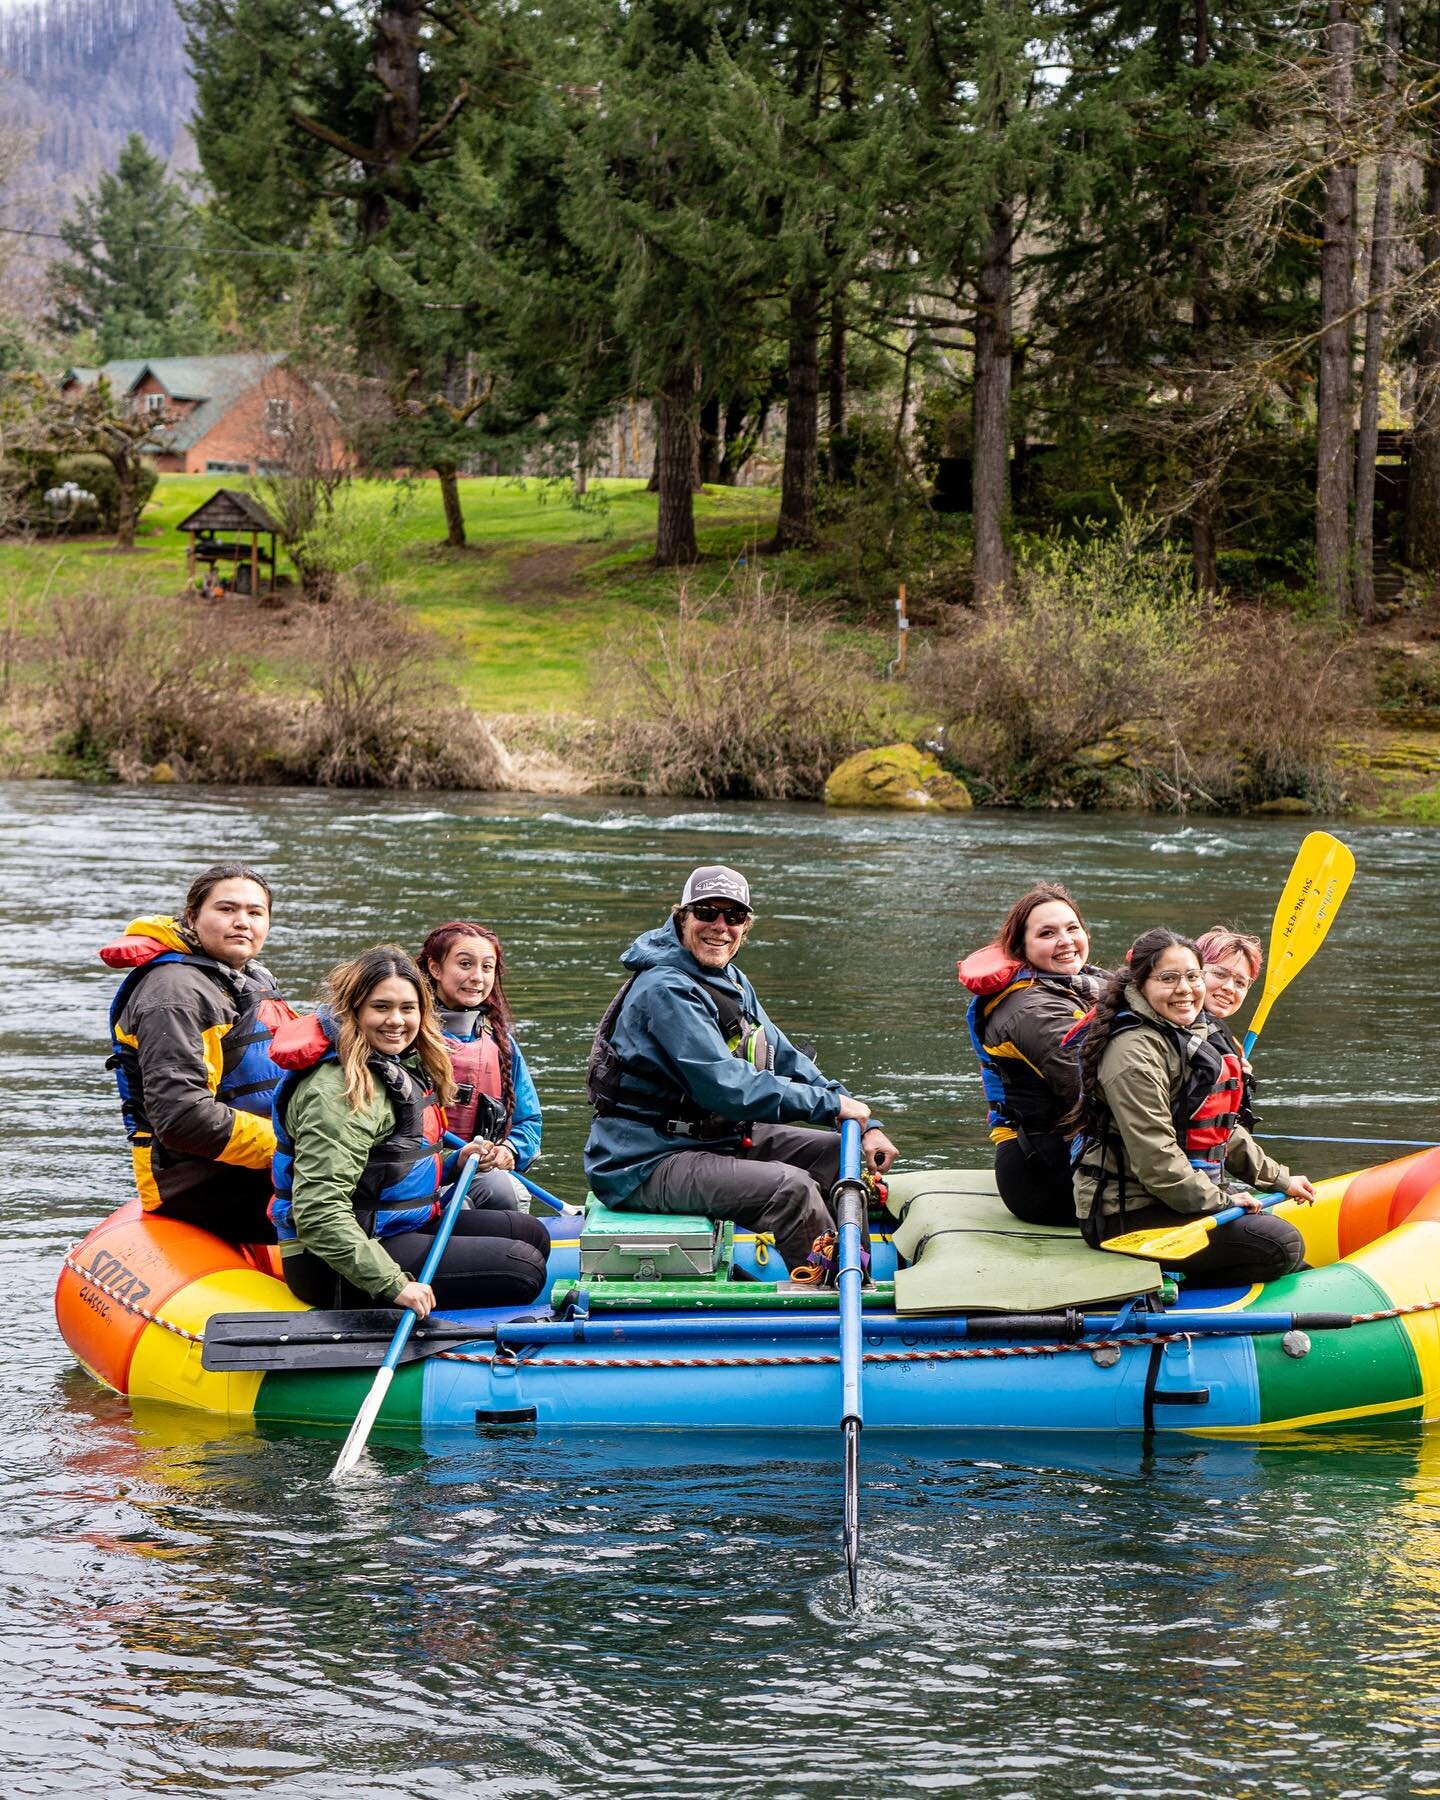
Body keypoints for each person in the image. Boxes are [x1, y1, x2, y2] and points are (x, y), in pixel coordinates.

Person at [583, 865, 898, 1276]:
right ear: (682, 917)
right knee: (792, 1191)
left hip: (714, 1138)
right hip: (645, 1158)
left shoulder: (728, 978)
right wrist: (831, 1106)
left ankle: (857, 1274)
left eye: (733, 917)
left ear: (745, 928)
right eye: (707, 913)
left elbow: (786, 1058)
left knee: (839, 1156)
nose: (720, 927)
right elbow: (726, 1087)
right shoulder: (665, 989)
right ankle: (834, 1299)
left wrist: (862, 1120)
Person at [267, 946, 550, 1318]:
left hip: (395, 1224)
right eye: (380, 1007)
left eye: (407, 1008)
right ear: (353, 1011)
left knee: (532, 1234)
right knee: (523, 1267)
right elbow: (319, 1213)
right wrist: (393, 1283)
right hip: (331, 1262)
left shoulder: (393, 1063)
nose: (396, 1021)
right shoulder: (339, 1093)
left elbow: (386, 1168)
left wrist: (454, 1164)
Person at [1069, 927, 1313, 1286]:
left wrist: (1278, 1177)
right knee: (1282, 1246)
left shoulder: (1189, 1033)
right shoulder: (1133, 1053)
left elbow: (1217, 1128)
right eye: (1168, 978)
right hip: (1125, 1214)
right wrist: (1221, 1202)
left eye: (1192, 977)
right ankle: (1170, 1291)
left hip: (1168, 1199)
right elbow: (1157, 1159)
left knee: (1290, 1255)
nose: (1185, 989)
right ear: (1140, 983)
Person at [101, 862, 295, 1243]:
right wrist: (298, 1146)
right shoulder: (174, 995)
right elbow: (183, 1119)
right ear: (192, 917)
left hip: (261, 1167)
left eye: (255, 913)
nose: (242, 922)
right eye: (227, 909)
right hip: (205, 1184)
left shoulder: (248, 976)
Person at [958, 883, 1104, 1226]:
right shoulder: (1030, 1009)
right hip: (1044, 1176)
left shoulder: (1081, 982)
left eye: (1072, 928)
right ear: (1022, 947)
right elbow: (1097, 1089)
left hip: (1070, 1159)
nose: (1066, 941)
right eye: (1047, 933)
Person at [418, 921, 542, 1213]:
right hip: (419, 1180)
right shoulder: (407, 1035)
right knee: (466, 1206)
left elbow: (528, 1121)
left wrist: (509, 1150)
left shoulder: (500, 1042)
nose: (477, 977)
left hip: (476, 1173)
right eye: (465, 964)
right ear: (435, 969)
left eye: (487, 967)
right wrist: (454, 1160)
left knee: (504, 1190)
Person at [1197, 925, 1263, 1128]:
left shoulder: (1221, 1039)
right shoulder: (1177, 1033)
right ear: (1194, 972)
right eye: (1219, 974)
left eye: (1241, 983)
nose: (1229, 988)